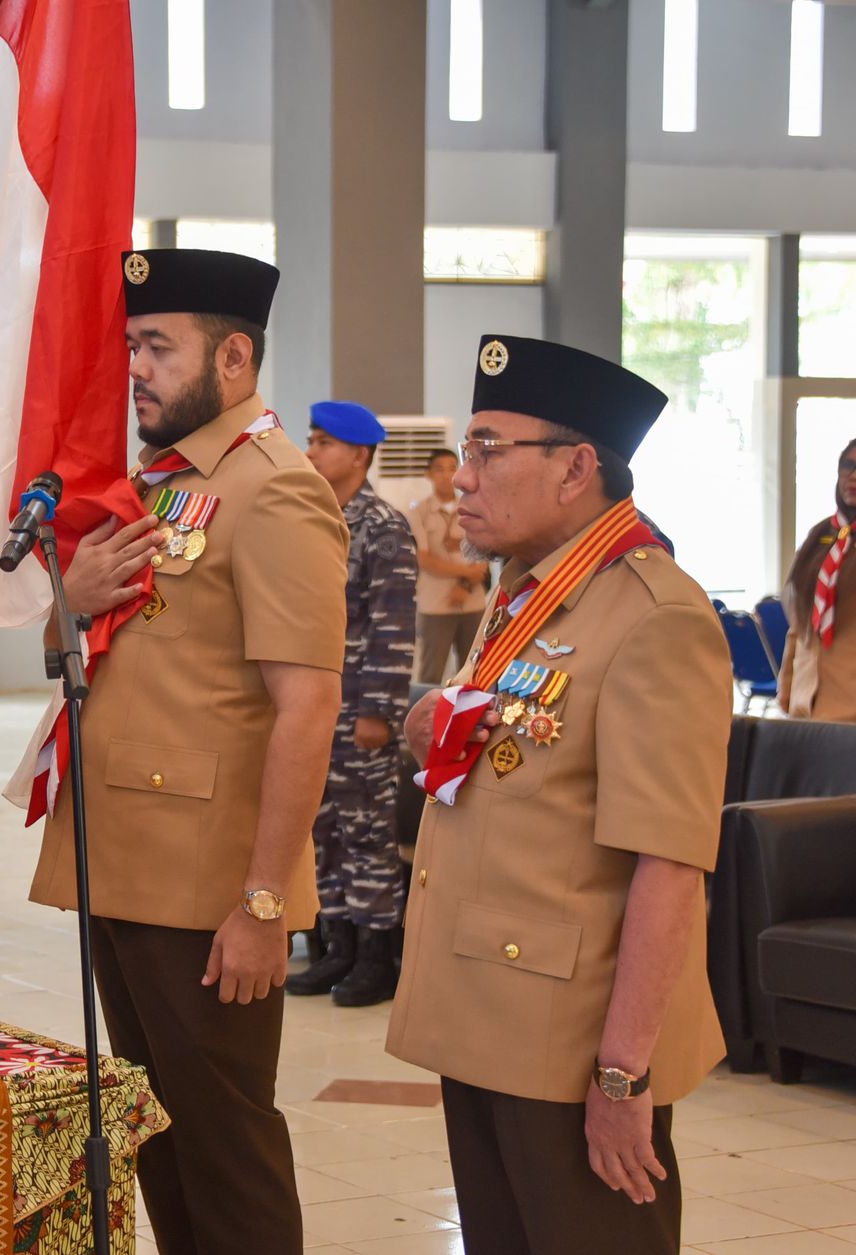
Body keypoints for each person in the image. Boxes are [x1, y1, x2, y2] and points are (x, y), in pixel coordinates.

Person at [28, 249, 348, 1254]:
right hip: (123, 865)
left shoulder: (277, 491)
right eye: (132, 345)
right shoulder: (155, 489)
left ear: (235, 356)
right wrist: (65, 605)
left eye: (158, 346)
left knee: (225, 1143)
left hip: (209, 889)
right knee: (155, 1132)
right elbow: (90, 656)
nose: (135, 368)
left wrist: (263, 901)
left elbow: (306, 707)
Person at [387, 335, 733, 1255]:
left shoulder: (656, 619)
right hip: (491, 1016)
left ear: (578, 467)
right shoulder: (528, 593)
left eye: (491, 447)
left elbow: (669, 862)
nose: (463, 475)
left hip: (573, 1044)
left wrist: (622, 1074)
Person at [288, 400, 416, 1006]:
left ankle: (375, 956)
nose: (311, 453)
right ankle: (335, 947)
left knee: (368, 833)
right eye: (311, 441)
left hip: (358, 707)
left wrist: (378, 713)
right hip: (311, 708)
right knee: (325, 831)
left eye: (323, 443)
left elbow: (394, 626)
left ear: (359, 455)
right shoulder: (311, 518)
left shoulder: (382, 527)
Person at [780, 437, 856, 722]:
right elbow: (799, 623)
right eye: (848, 465)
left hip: (848, 707)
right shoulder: (821, 535)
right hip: (805, 704)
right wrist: (787, 687)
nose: (853, 475)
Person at [408, 447, 489, 684]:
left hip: (473, 602)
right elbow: (425, 560)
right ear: (428, 474)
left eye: (452, 468)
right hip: (436, 605)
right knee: (431, 675)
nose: (446, 475)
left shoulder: (476, 507)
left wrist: (465, 584)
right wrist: (467, 572)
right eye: (439, 469)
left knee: (475, 673)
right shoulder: (418, 512)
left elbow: (484, 556)